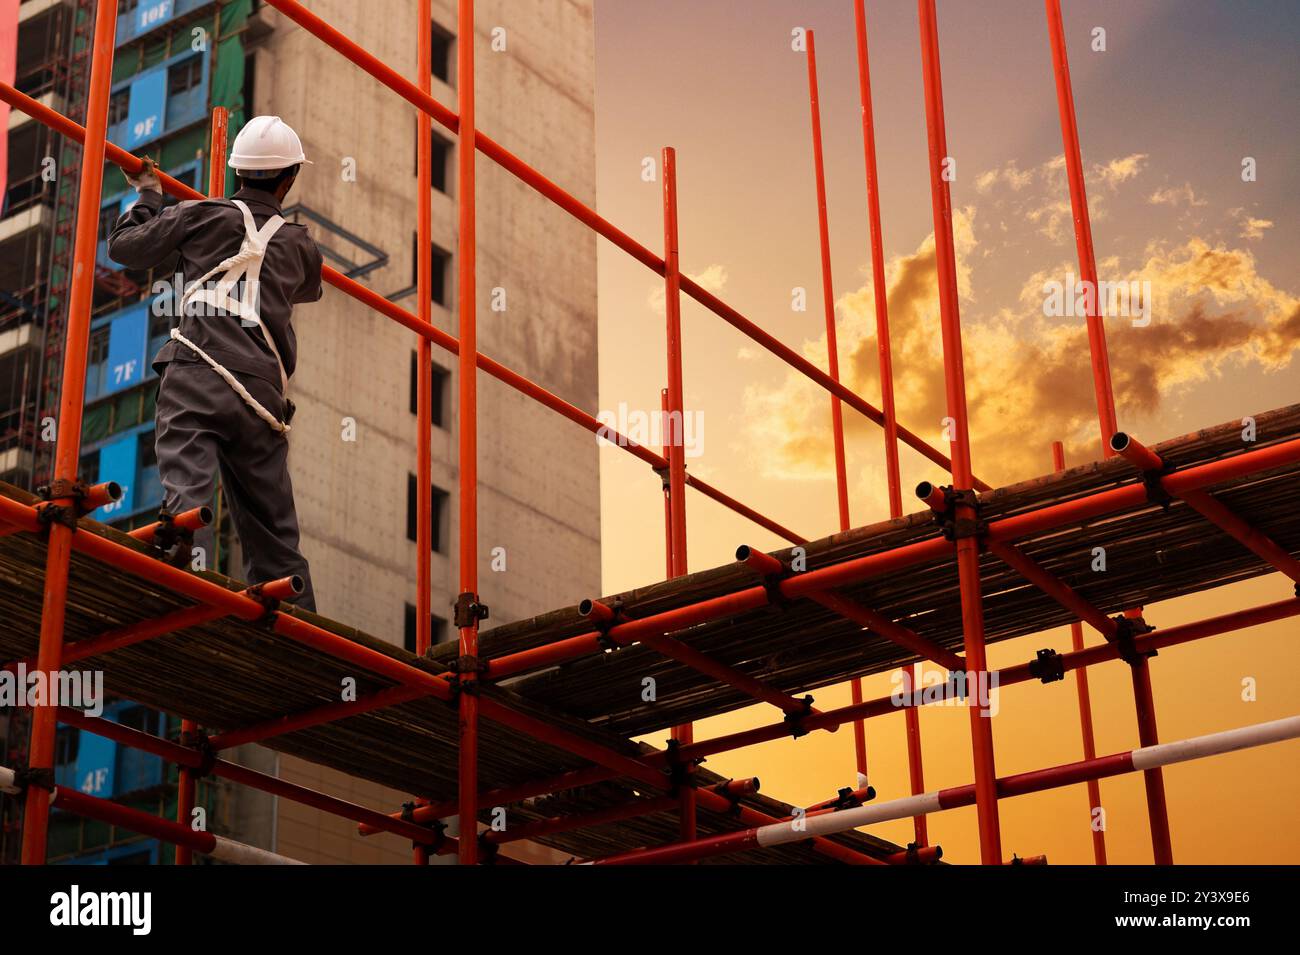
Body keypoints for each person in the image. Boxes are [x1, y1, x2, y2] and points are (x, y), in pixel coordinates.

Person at [108, 116, 323, 611]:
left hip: (197, 374)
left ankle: (187, 588)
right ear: (289, 177)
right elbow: (307, 289)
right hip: (261, 397)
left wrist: (148, 195)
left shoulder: (200, 215)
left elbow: (125, 249)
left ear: (236, 171)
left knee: (188, 488)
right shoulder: (300, 245)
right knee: (274, 528)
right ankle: (300, 630)